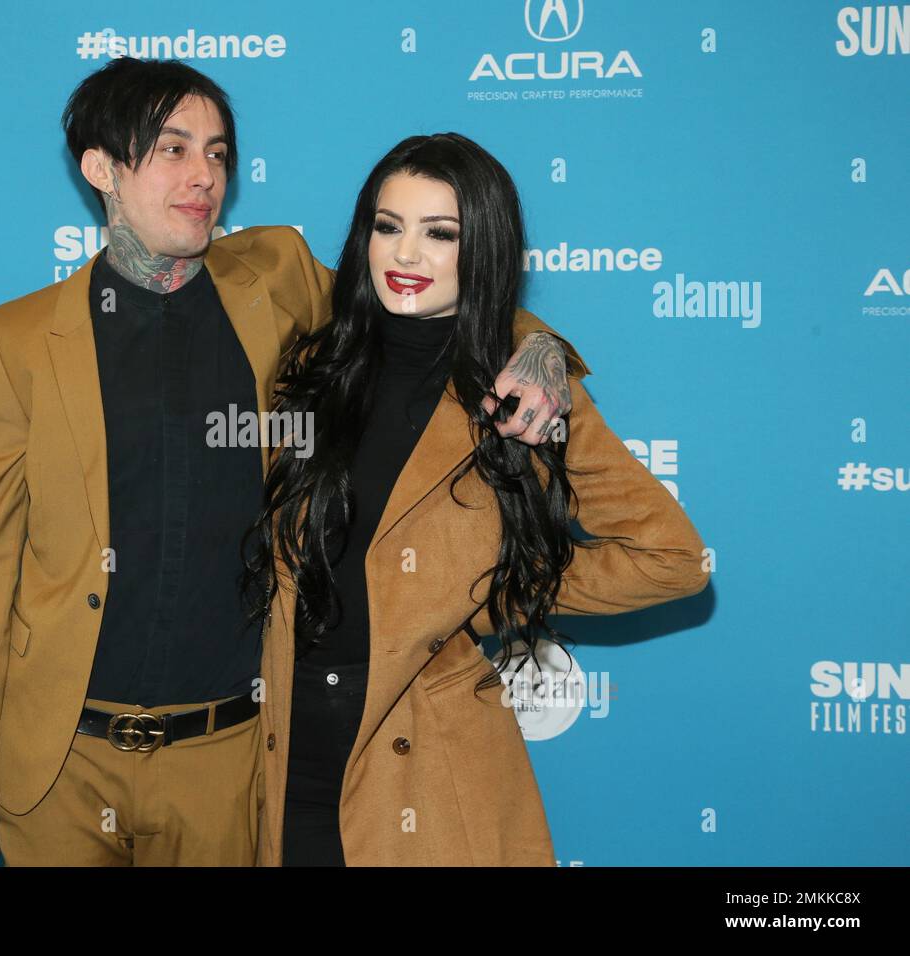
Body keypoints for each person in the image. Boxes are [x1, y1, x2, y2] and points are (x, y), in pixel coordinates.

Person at [0, 58, 584, 866]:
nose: (204, 174)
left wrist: (541, 348)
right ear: (101, 167)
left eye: (218, 152)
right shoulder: (17, 339)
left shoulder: (274, 279)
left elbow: (426, 301)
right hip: (58, 763)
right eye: (172, 149)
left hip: (228, 758)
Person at [241, 132, 710, 866]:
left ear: (484, 246)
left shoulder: (522, 392)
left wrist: (488, 593)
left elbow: (672, 560)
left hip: (424, 765)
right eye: (388, 226)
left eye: (441, 234)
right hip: (278, 756)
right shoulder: (313, 364)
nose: (406, 255)